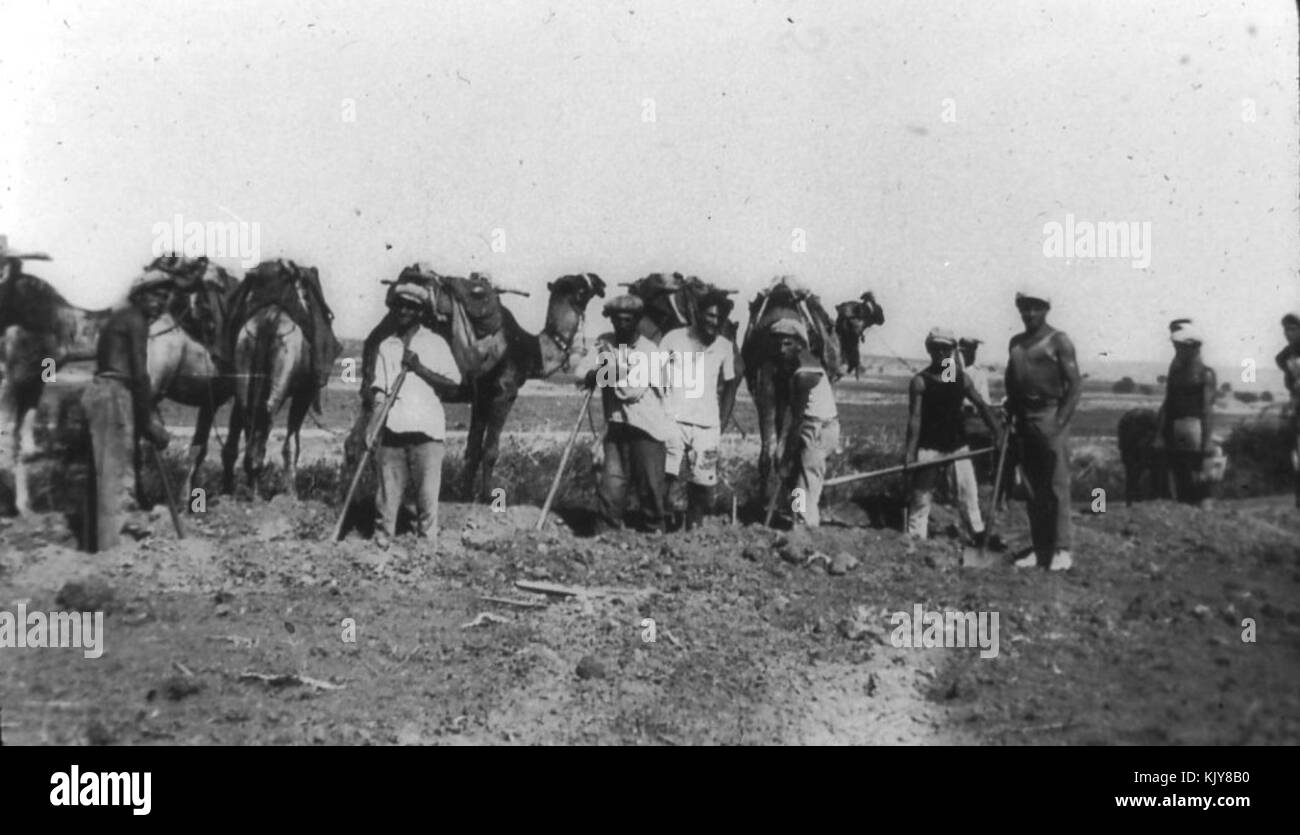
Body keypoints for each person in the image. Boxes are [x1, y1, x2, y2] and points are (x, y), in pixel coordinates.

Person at [83, 272, 173, 552]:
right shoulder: (135, 320)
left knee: (106, 470)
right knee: (116, 472)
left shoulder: (123, 318)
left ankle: (98, 544)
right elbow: (139, 372)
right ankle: (114, 548)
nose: (160, 303)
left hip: (106, 392)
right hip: (113, 393)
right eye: (155, 296)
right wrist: (148, 421)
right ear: (141, 295)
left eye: (164, 298)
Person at [369, 283, 461, 550]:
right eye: (400, 305)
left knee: (427, 499)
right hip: (393, 431)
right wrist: (372, 427)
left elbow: (453, 385)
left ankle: (426, 549)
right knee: (386, 497)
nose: (405, 311)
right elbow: (379, 390)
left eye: (412, 307)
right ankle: (381, 545)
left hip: (427, 432)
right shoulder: (387, 346)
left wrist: (420, 368)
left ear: (421, 312)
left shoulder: (435, 343)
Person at [575, 294, 671, 533]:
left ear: (637, 320)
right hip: (616, 426)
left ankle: (655, 533)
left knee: (649, 488)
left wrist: (602, 372)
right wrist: (608, 371)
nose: (622, 325)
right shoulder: (603, 342)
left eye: (628, 319)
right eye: (617, 320)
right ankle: (606, 535)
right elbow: (579, 373)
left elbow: (630, 390)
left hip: (646, 428)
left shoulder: (649, 351)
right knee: (611, 485)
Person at [1005, 289, 1081, 571]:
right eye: (1024, 308)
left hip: (1050, 414)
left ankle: (1062, 549)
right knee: (1032, 487)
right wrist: (1011, 412)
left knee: (1056, 485)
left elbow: (1074, 386)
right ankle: (1039, 548)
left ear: (1046, 309)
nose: (1029, 314)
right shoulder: (1016, 343)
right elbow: (1012, 381)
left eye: (1035, 308)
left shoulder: (1059, 341)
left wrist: (1059, 423)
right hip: (1023, 417)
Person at [904, 328, 1002, 544]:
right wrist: (910, 453)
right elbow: (915, 419)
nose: (940, 353)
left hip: (957, 445)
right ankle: (916, 538)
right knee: (921, 496)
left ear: (952, 350)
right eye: (936, 348)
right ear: (928, 349)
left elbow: (982, 406)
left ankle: (977, 535)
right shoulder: (921, 381)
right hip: (929, 446)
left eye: (945, 348)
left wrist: (998, 432)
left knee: (968, 494)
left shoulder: (958, 378)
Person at [660, 295, 741, 530]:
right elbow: (656, 373)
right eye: (710, 315)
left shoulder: (724, 347)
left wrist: (721, 423)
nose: (714, 322)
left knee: (702, 484)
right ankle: (660, 526)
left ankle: (692, 531)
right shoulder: (674, 338)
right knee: (666, 476)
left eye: (719, 317)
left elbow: (730, 386)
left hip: (707, 425)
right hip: (672, 420)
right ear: (698, 314)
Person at [771, 318, 839, 528]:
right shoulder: (797, 362)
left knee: (807, 481)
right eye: (779, 343)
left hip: (819, 428)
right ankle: (796, 523)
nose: (782, 349)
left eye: (788, 343)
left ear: (799, 344)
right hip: (812, 424)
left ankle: (807, 528)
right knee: (800, 481)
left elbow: (797, 421)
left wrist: (785, 459)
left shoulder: (804, 374)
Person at [1154, 321, 1217, 506]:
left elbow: (1207, 410)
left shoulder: (1204, 374)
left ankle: (1203, 517)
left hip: (1193, 427)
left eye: (1180, 348)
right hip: (1178, 427)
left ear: (1192, 348)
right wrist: (1160, 433)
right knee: (1182, 475)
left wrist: (1206, 442)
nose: (1177, 351)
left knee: (1197, 479)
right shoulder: (1177, 371)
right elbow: (1168, 402)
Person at [1275, 311, 1300, 508]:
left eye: (1293, 329)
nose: (1288, 333)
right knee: (1296, 452)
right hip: (1297, 407)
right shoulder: (1285, 356)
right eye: (1286, 329)